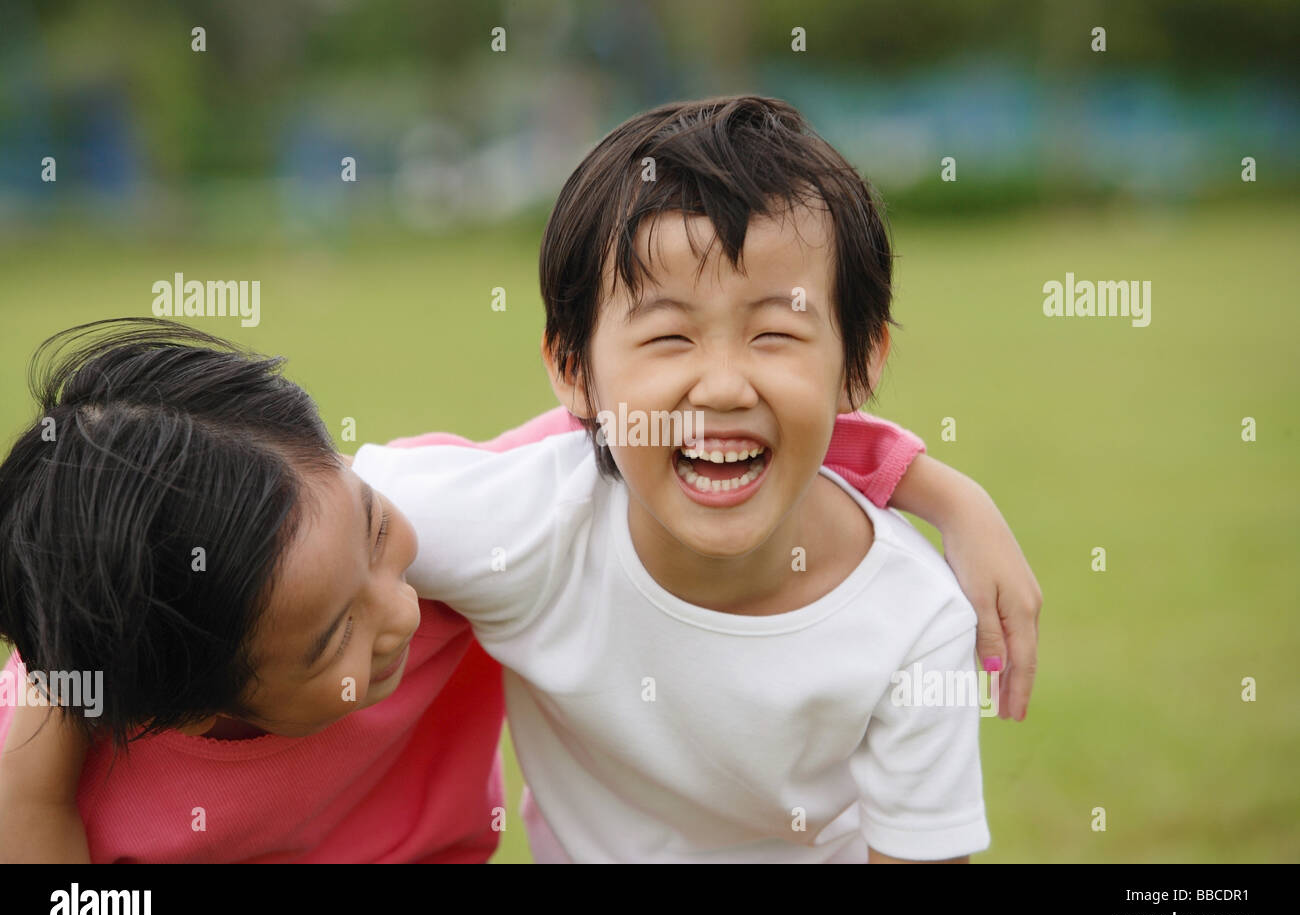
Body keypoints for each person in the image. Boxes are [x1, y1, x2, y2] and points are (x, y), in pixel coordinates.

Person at [0, 313, 1035, 862]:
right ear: (190, 701)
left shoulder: (459, 520)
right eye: (331, 643)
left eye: (373, 531)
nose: (400, 607)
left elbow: (671, 430)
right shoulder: (83, 715)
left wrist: (947, 495)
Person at [343, 95, 1033, 861]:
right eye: (670, 336)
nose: (724, 386)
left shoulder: (914, 618)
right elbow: (279, 509)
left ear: (861, 362)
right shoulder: (527, 523)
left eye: (776, 333)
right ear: (574, 370)